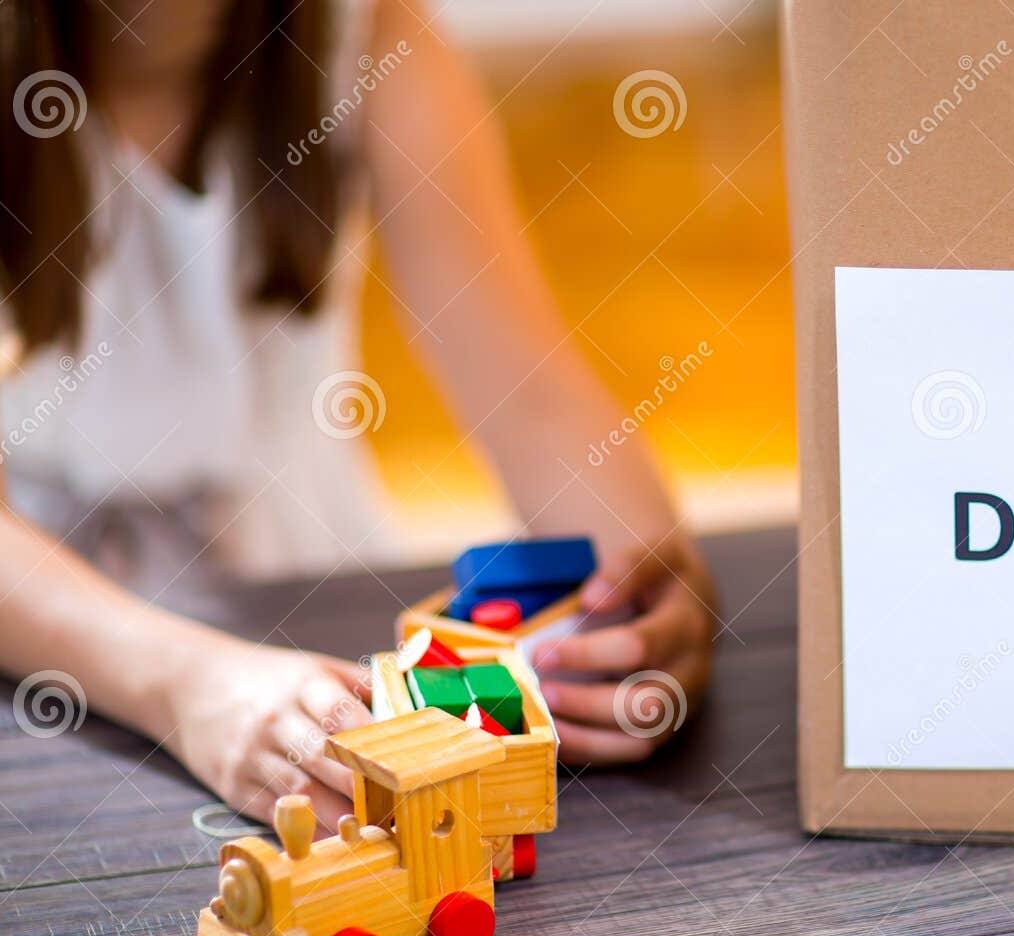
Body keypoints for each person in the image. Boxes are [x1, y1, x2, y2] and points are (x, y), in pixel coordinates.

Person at [0, 0, 715, 832]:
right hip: (51, 648)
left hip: (319, 614)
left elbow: (532, 397)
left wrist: (644, 599)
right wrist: (190, 685)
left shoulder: (374, 39)